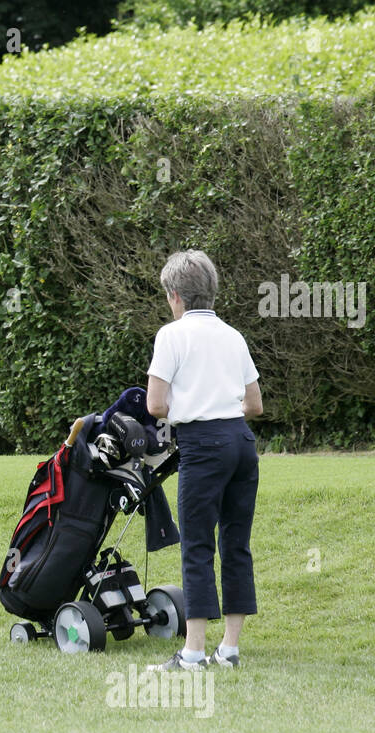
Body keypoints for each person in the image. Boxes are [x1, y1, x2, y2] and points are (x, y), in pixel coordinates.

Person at [144, 250, 263, 671]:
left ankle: (193, 653)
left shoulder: (172, 335)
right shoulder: (233, 336)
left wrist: (193, 404)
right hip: (241, 443)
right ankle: (228, 650)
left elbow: (156, 404)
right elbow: (254, 403)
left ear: (175, 296)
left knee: (197, 544)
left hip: (201, 444)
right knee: (236, 544)